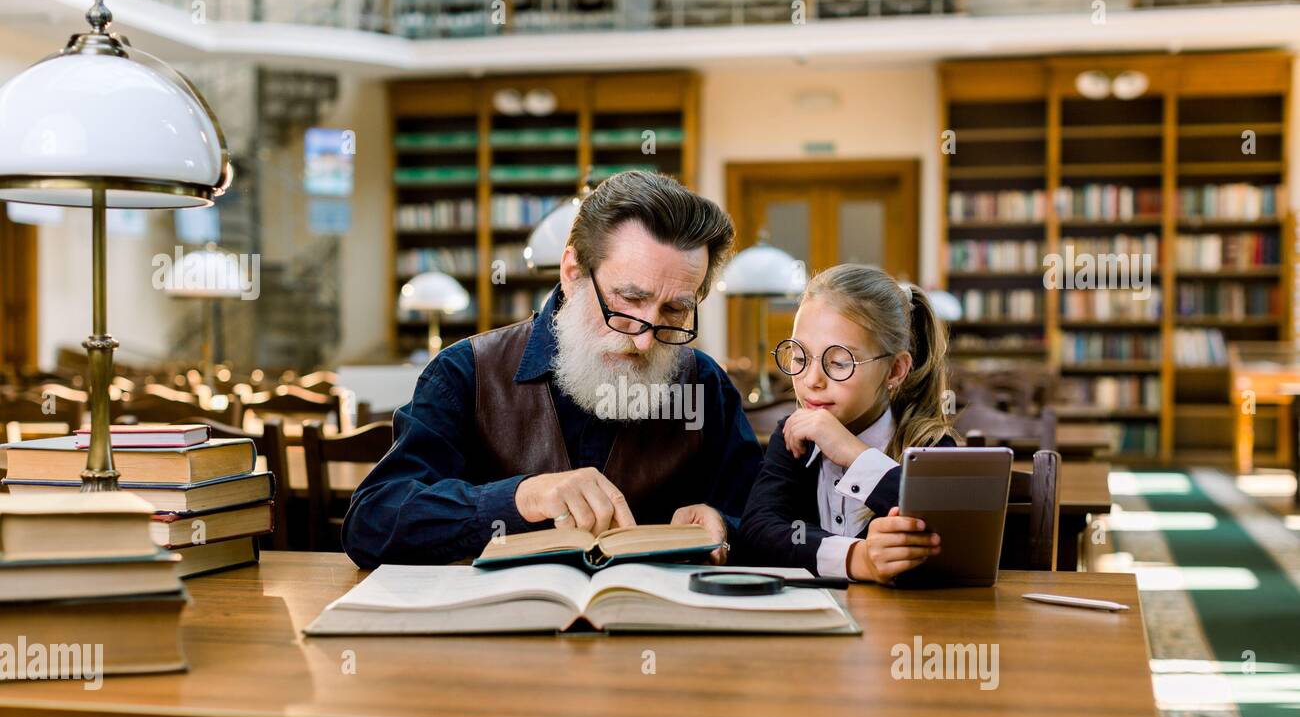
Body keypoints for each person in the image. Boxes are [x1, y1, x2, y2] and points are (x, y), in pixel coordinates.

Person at [343, 171, 763, 568]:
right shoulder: (465, 373)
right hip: (497, 634)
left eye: (673, 310)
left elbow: (767, 527)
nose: (644, 339)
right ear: (573, 272)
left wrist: (727, 528)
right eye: (628, 300)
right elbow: (373, 523)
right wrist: (522, 498)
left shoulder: (703, 385)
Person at [738, 263, 956, 583]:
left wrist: (855, 454)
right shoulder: (794, 436)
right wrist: (857, 558)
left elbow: (945, 534)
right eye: (799, 357)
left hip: (901, 628)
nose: (812, 380)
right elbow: (759, 533)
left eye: (839, 362)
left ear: (895, 370)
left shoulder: (932, 446)